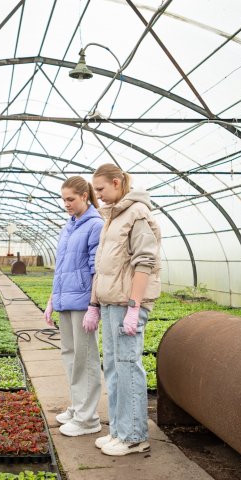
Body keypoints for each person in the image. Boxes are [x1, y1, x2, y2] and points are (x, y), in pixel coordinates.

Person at [85, 163, 161, 456]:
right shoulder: (112, 216)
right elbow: (102, 267)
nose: (98, 196)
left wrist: (134, 306)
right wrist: (94, 304)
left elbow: (145, 262)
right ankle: (118, 430)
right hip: (109, 303)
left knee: (128, 366)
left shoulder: (137, 214)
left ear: (117, 183)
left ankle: (134, 436)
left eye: (101, 189)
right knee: (114, 368)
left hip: (125, 305)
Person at [44, 176, 104, 437]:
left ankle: (88, 418)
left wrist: (94, 305)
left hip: (82, 301)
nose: (66, 204)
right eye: (63, 199)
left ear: (84, 197)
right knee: (69, 355)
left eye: (70, 199)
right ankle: (78, 407)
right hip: (65, 300)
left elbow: (96, 270)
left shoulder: (95, 225)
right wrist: (51, 300)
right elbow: (61, 268)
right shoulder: (69, 226)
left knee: (86, 358)